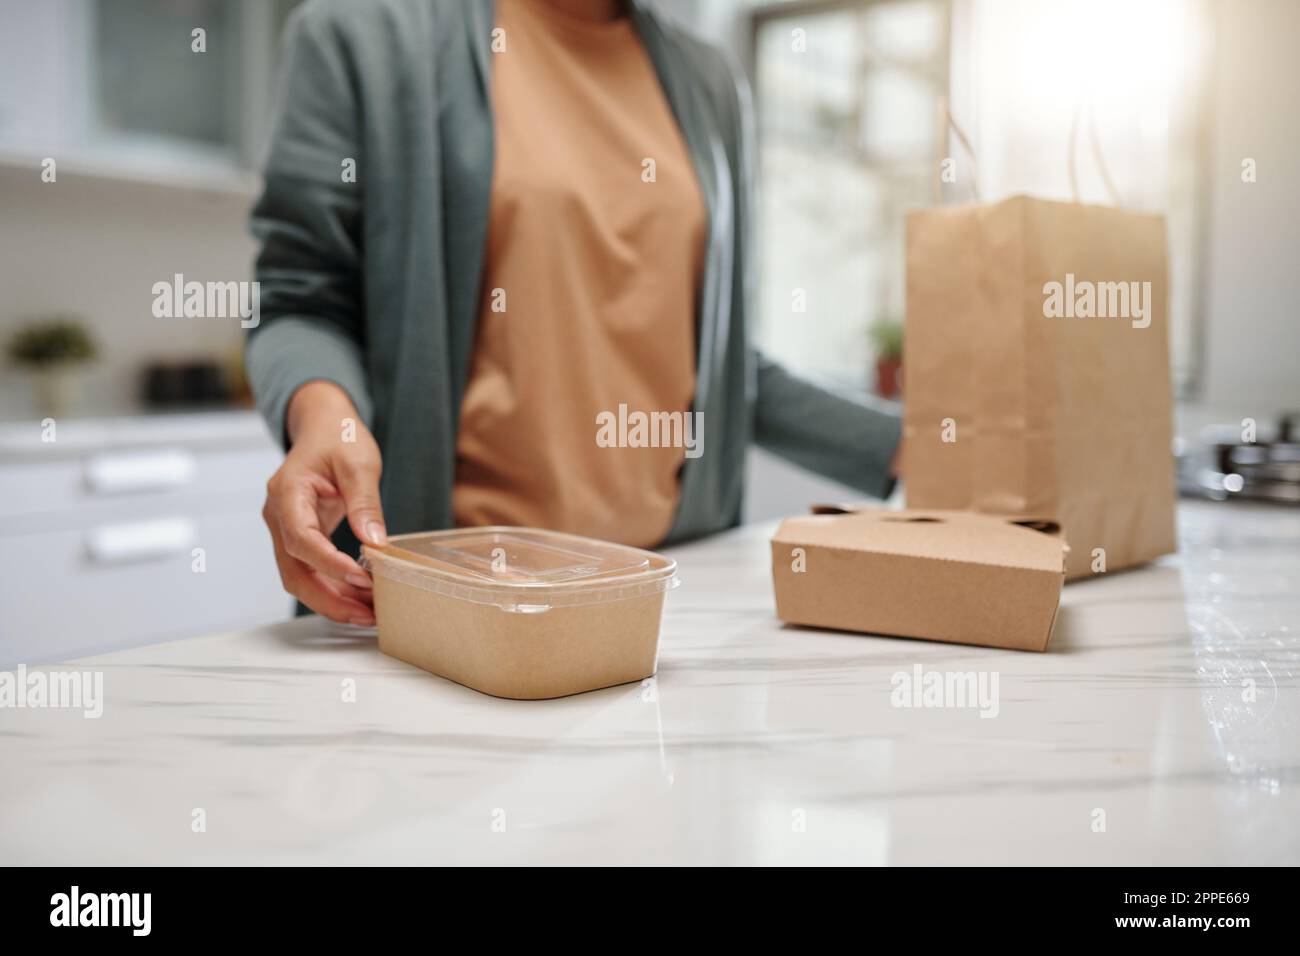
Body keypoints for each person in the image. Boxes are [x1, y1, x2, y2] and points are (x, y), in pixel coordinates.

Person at [248, 0, 901, 626]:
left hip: (662, 605)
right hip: (447, 612)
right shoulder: (364, 35)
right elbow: (303, 299)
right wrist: (324, 415)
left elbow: (726, 370)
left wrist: (927, 445)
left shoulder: (710, 83)